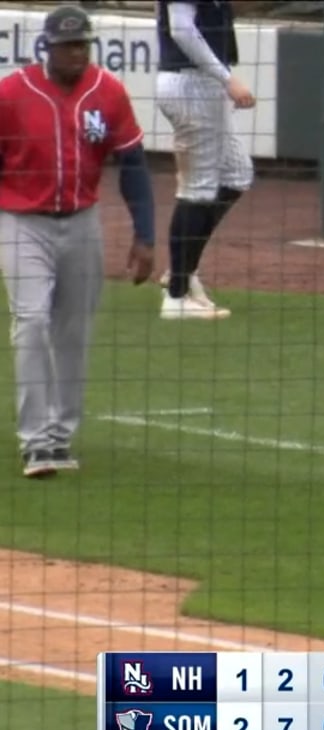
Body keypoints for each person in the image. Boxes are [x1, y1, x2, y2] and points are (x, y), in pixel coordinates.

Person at [0, 4, 156, 477]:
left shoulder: (107, 92)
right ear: (47, 46)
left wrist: (145, 236)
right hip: (21, 221)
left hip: (83, 222)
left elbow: (133, 166)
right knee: (30, 323)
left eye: (82, 44)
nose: (76, 53)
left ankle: (60, 434)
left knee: (73, 331)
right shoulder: (10, 94)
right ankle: (36, 442)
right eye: (68, 44)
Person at [154, 0, 252, 320]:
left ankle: (182, 269)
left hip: (203, 82)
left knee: (237, 175)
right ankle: (176, 297)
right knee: (198, 189)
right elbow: (181, 29)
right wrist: (226, 79)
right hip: (189, 82)